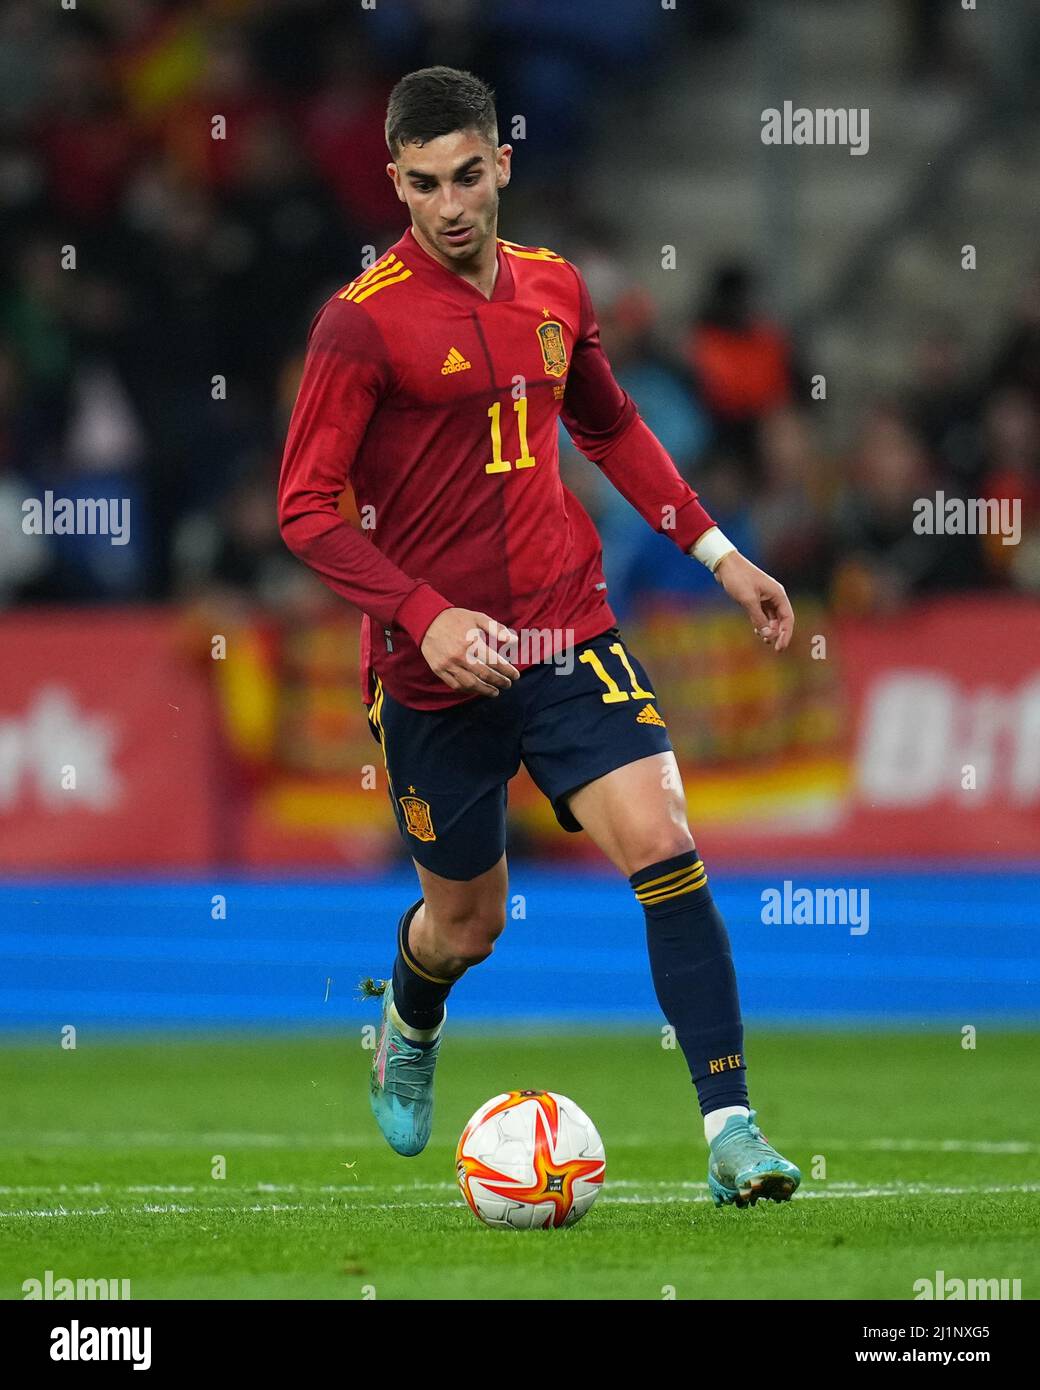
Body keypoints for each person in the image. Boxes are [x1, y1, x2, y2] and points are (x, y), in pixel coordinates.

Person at [277, 66, 800, 1208]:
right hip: (431, 671)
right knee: (470, 920)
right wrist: (425, 613)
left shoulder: (556, 290)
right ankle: (410, 1011)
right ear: (395, 184)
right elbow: (303, 509)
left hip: (568, 631)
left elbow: (611, 430)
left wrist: (720, 555)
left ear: (502, 163)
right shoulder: (359, 325)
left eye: (468, 175)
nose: (450, 205)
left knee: (664, 845)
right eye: (423, 185)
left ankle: (731, 1132)